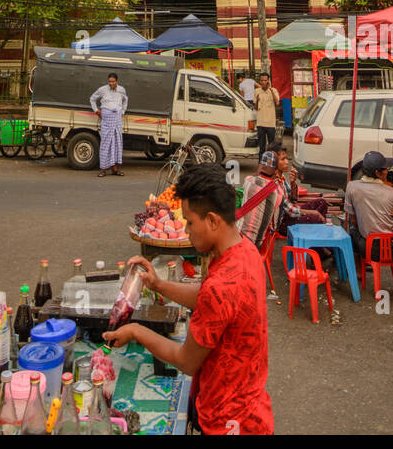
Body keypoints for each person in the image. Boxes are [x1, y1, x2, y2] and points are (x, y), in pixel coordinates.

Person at [104, 163, 273, 435]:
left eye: (191, 223)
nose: (187, 231)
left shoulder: (222, 286)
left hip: (228, 420)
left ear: (213, 221)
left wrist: (137, 331)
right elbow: (206, 296)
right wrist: (158, 284)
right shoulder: (244, 251)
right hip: (250, 403)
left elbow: (185, 360)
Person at [344, 149, 393, 258]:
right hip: (390, 249)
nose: (387, 171)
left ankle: (358, 270)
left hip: (365, 247)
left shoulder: (351, 186)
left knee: (351, 226)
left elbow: (354, 220)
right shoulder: (391, 192)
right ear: (377, 173)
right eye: (385, 169)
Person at [274, 148, 329, 233]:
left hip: (290, 214)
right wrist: (314, 213)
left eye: (287, 158)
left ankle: (318, 234)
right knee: (315, 217)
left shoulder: (282, 178)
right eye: (283, 159)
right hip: (283, 223)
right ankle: (316, 241)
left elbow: (294, 200)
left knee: (322, 202)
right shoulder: (275, 182)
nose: (287, 162)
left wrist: (292, 183)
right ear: (275, 162)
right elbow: (292, 211)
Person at [237, 151, 283, 251]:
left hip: (238, 238)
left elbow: (255, 177)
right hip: (255, 244)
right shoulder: (278, 192)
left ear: (260, 166)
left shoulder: (248, 181)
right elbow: (275, 226)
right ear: (275, 171)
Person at [89, 72, 128, 176]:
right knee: (106, 143)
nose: (111, 84)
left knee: (117, 143)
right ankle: (103, 169)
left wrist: (122, 111)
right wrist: (96, 111)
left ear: (117, 81)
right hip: (106, 118)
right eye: (109, 82)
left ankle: (115, 169)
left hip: (117, 119)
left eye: (113, 82)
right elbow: (92, 99)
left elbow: (125, 101)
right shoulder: (102, 89)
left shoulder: (121, 90)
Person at [253, 73, 280, 158]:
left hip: (270, 123)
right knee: (261, 147)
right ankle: (261, 165)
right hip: (260, 123)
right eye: (262, 80)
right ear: (259, 81)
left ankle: (271, 165)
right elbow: (256, 107)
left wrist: (270, 90)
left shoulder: (273, 90)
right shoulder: (257, 91)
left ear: (268, 81)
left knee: (271, 147)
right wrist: (257, 100)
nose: (263, 82)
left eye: (265, 80)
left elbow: (277, 102)